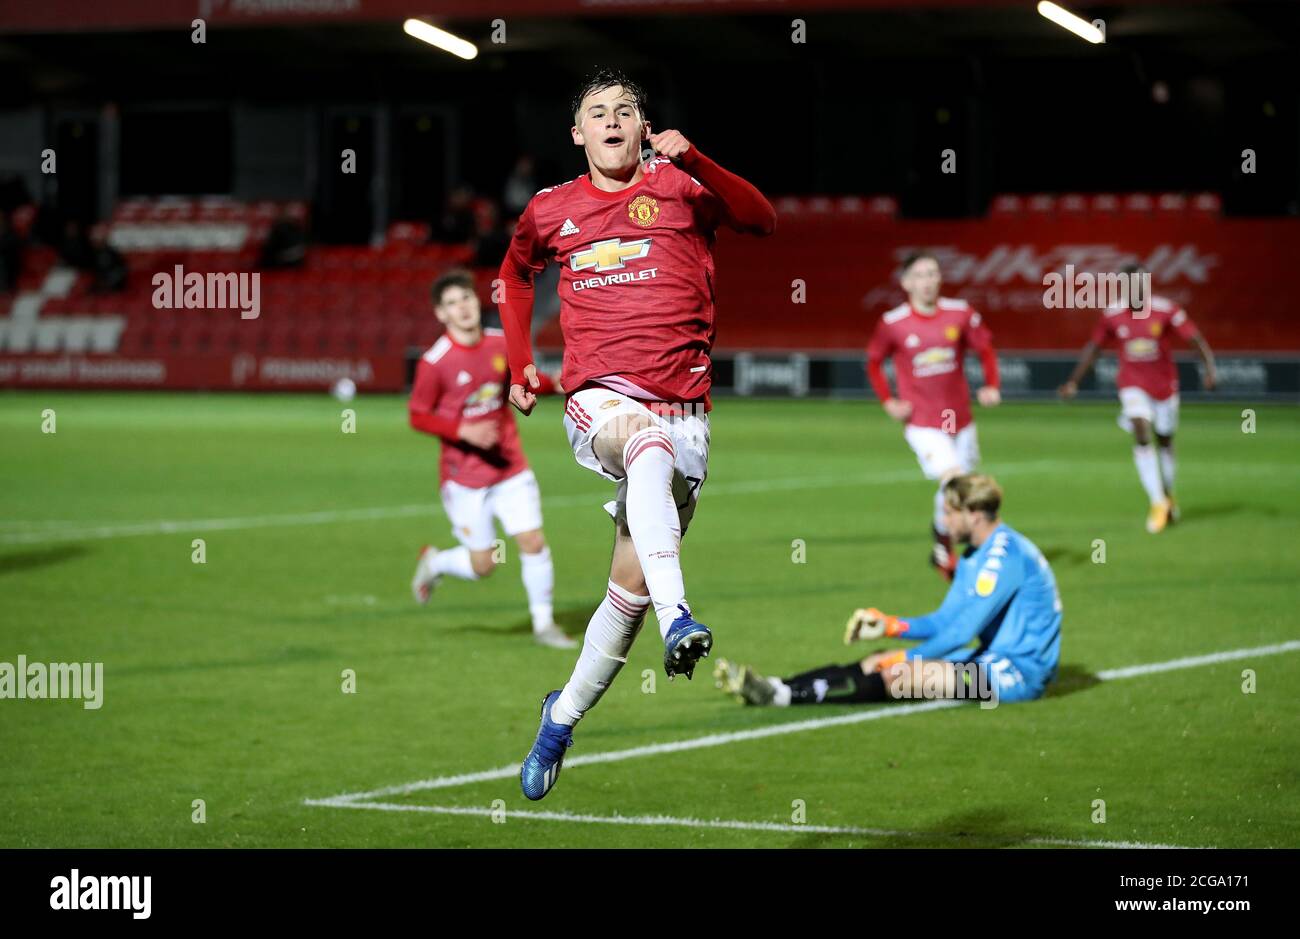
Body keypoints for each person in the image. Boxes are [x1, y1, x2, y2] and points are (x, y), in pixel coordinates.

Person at [497, 67, 776, 800]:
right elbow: (515, 274)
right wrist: (522, 362)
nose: (613, 119)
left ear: (645, 128)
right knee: (643, 449)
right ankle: (680, 613)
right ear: (578, 132)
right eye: (599, 112)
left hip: (686, 416)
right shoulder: (552, 209)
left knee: (624, 598)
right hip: (600, 401)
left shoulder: (683, 190)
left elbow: (763, 219)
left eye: (626, 110)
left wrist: (699, 160)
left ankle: (560, 717)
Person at [715, 474, 1061, 708]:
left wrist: (904, 658)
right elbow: (944, 621)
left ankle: (783, 697)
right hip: (990, 660)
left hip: (1017, 676)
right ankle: (778, 686)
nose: (944, 522)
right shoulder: (975, 555)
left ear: (973, 514)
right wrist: (893, 626)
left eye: (949, 513)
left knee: (899, 675)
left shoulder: (1004, 556)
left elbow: (961, 632)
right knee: (875, 660)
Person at [408, 269, 573, 649]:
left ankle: (544, 624)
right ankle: (435, 563)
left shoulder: (501, 343)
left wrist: (554, 384)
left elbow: (524, 379)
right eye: (451, 303)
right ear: (440, 314)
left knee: (532, 542)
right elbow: (418, 414)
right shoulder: (435, 362)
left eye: (465, 298)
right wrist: (462, 431)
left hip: (510, 468)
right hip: (464, 478)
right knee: (483, 565)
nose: (462, 308)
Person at [866, 251, 1001, 580]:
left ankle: (943, 545)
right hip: (923, 422)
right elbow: (873, 361)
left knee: (961, 488)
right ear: (906, 282)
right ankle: (962, 545)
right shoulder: (893, 322)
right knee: (953, 478)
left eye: (933, 273)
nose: (929, 280)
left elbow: (985, 349)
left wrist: (991, 385)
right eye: (921, 274)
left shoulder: (960, 313)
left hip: (960, 419)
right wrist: (888, 401)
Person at [1058, 263, 1217, 533]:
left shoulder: (1167, 310)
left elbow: (1196, 340)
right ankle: (1156, 503)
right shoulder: (1113, 315)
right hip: (1132, 385)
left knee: (1165, 439)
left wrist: (1210, 370)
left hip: (1165, 387)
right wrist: (1073, 381)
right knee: (1141, 430)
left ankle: (1167, 495)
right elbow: (1094, 348)